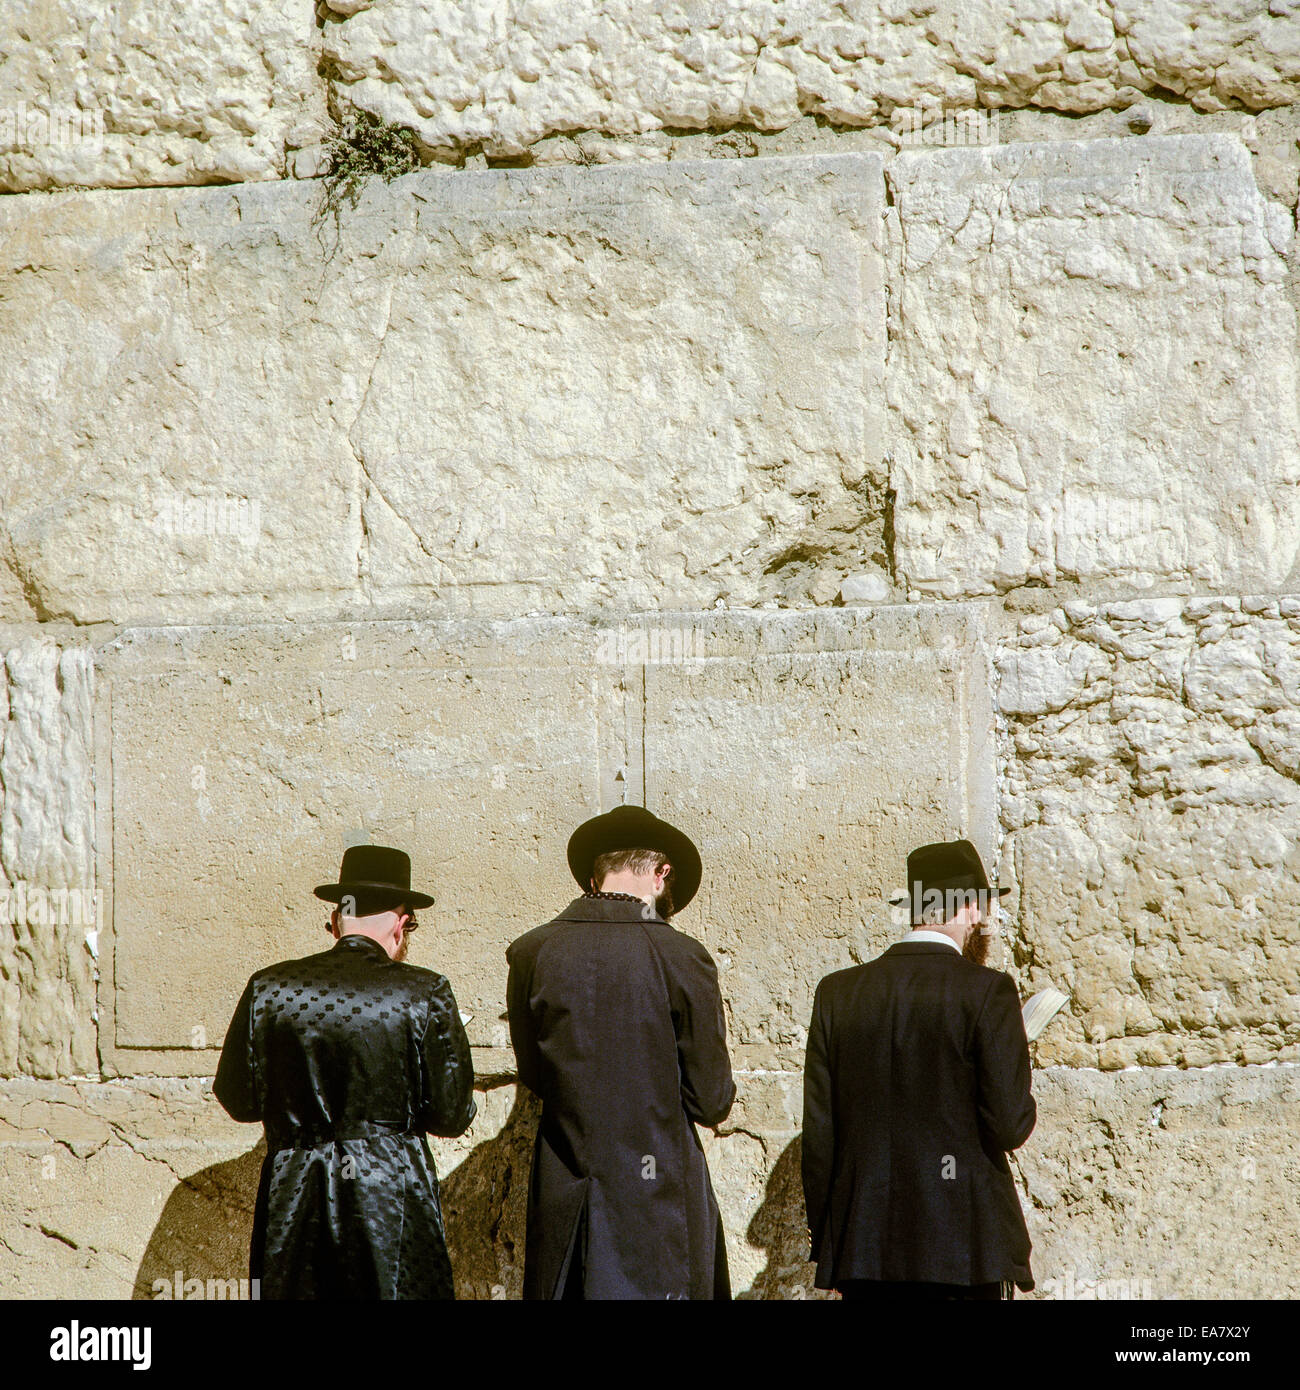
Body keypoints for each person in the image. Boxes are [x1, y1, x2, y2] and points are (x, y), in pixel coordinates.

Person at [213, 844, 476, 1299]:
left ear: (337, 920)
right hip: (390, 1188)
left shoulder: (269, 988)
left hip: (294, 1190)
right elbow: (452, 1115)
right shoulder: (424, 991)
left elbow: (238, 1099)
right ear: (400, 923)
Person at [506, 804, 735, 1299]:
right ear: (661, 873)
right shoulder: (683, 956)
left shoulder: (532, 952)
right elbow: (711, 1099)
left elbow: (536, 1077)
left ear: (594, 876)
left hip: (567, 1201)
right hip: (660, 1207)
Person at [801, 838, 1036, 1300]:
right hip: (962, 1247)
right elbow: (1009, 1125)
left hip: (864, 1248)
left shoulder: (837, 993)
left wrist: (833, 1238)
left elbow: (820, 1136)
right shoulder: (988, 991)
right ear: (969, 907)